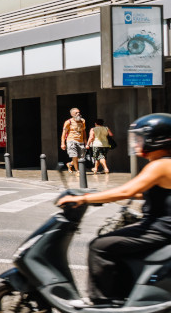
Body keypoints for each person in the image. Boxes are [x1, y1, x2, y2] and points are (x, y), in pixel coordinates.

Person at [58, 113, 171, 305]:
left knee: (100, 246)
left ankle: (103, 302)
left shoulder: (160, 165)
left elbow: (127, 190)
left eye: (141, 138)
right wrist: (102, 195)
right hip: (161, 226)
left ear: (156, 140)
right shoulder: (163, 163)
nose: (137, 143)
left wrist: (83, 199)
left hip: (160, 228)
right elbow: (146, 193)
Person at [63, 107, 88, 175]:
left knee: (80, 158)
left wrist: (86, 142)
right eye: (76, 113)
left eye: (79, 112)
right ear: (72, 114)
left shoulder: (82, 121)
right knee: (74, 156)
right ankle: (77, 171)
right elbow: (64, 133)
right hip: (71, 141)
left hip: (80, 141)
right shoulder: (68, 122)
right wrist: (63, 143)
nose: (78, 114)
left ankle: (70, 164)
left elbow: (84, 131)